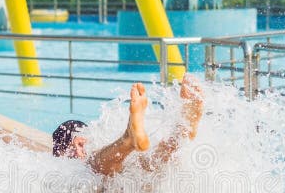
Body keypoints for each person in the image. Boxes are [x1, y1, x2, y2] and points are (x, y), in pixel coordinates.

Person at [51, 74, 203, 176]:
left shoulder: (99, 145)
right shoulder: (65, 172)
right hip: (119, 182)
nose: (78, 153)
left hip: (124, 179)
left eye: (80, 145)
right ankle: (178, 133)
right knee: (92, 166)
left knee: (151, 160)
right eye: (71, 151)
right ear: (61, 155)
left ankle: (182, 131)